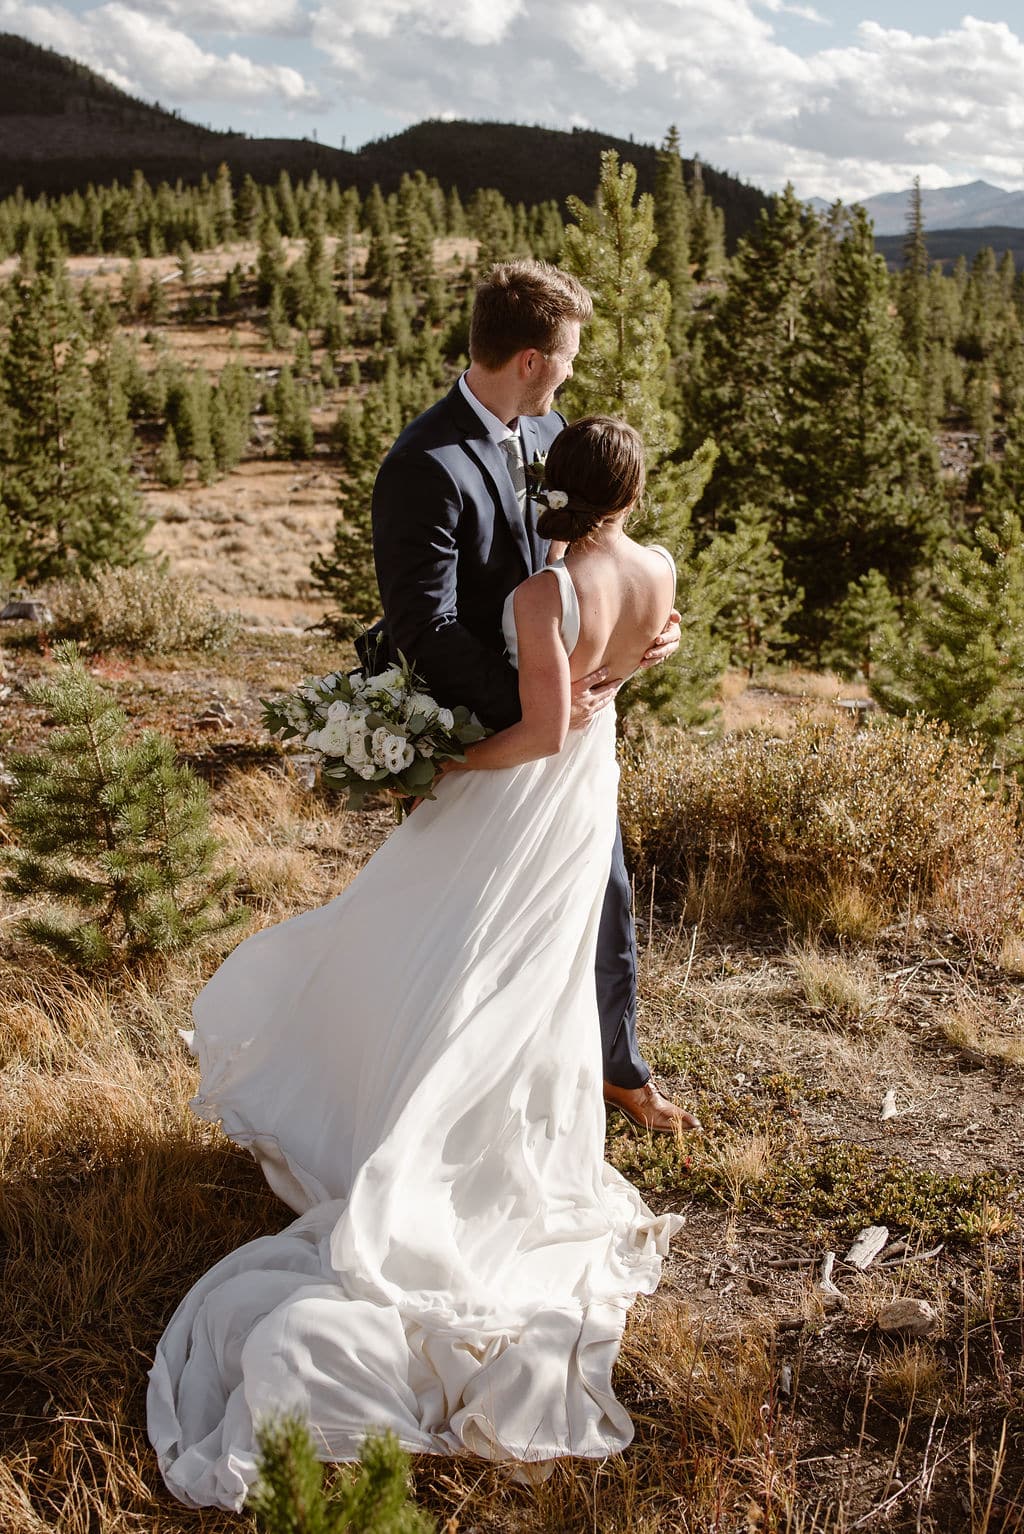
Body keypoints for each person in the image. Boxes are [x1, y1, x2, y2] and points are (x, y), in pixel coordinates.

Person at [147, 416, 686, 1511]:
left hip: (527, 792)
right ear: (629, 496)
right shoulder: (658, 565)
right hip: (591, 797)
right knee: (529, 975)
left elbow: (537, 732)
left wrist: (442, 765)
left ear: (555, 486)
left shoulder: (546, 594)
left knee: (427, 940)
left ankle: (399, 1108)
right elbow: (623, 674)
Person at [365, 259, 696, 1134]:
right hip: (493, 719)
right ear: (528, 359)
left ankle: (616, 1067)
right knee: (467, 918)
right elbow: (423, 626)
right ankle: (443, 1089)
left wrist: (646, 628)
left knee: (603, 895)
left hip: (571, 715)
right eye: (569, 353)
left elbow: (586, 552)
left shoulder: (544, 433)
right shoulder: (423, 463)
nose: (574, 370)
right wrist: (528, 702)